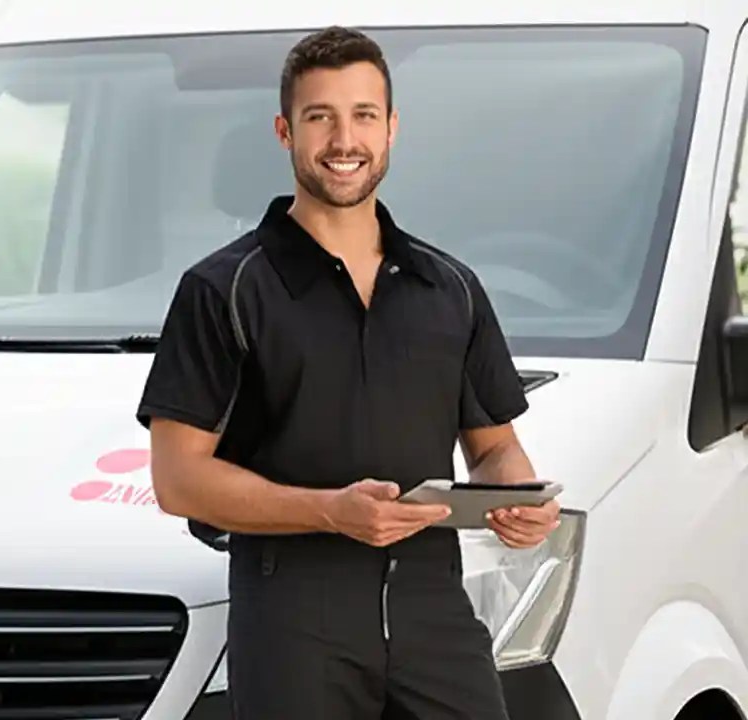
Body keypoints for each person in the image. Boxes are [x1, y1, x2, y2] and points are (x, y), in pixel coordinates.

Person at [136, 26, 562, 719]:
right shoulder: (225, 291)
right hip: (294, 622)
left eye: (364, 115)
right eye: (320, 117)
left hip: (434, 613)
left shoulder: (449, 288)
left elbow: (494, 447)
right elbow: (177, 478)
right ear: (284, 131)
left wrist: (515, 498)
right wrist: (330, 512)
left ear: (391, 128)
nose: (344, 140)